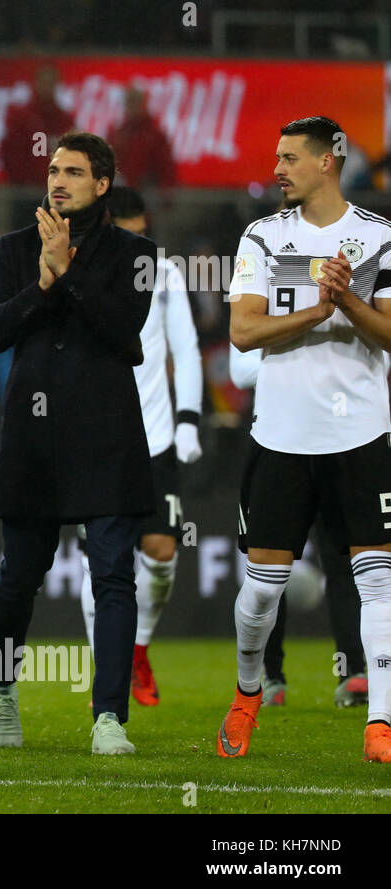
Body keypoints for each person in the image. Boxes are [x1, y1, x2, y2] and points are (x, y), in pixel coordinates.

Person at [219, 116, 391, 763]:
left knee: (379, 581)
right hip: (283, 435)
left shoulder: (379, 238)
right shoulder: (262, 236)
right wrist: (319, 310)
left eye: (289, 156)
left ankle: (380, 723)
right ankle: (246, 692)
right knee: (263, 587)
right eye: (277, 154)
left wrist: (348, 301)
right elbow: (242, 330)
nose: (277, 167)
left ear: (327, 161)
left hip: (362, 434)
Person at [0, 131, 155, 755]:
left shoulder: (138, 252)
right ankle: (1, 694)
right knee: (16, 579)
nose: (58, 180)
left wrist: (69, 272)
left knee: (113, 577)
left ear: (102, 184)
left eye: (74, 172)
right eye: (54, 169)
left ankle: (108, 717)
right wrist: (45, 282)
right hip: (32, 442)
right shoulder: (15, 247)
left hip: (106, 440)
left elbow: (123, 329)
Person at [77, 186, 202, 706]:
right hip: (98, 443)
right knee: (100, 560)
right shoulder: (81, 272)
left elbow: (187, 349)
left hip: (155, 438)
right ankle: (112, 668)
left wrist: (190, 420)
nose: (136, 242)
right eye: (125, 230)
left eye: (141, 231)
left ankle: (138, 649)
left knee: (162, 553)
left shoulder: (165, 273)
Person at [229, 346, 368, 709]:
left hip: (338, 441)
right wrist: (308, 370)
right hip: (278, 443)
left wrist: (291, 363)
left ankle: (354, 672)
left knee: (344, 564)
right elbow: (239, 370)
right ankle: (271, 676)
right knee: (271, 572)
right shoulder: (266, 293)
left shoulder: (343, 292)